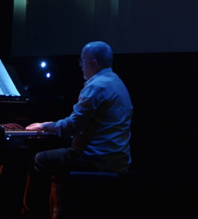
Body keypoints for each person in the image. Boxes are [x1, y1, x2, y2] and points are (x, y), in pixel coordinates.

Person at [22, 41, 133, 217]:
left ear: (94, 63)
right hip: (118, 159)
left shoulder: (96, 86)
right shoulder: (117, 82)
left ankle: (31, 215)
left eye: (82, 61)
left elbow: (73, 126)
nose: (81, 66)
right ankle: (59, 210)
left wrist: (45, 126)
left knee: (39, 160)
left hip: (95, 159)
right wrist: (54, 125)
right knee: (58, 161)